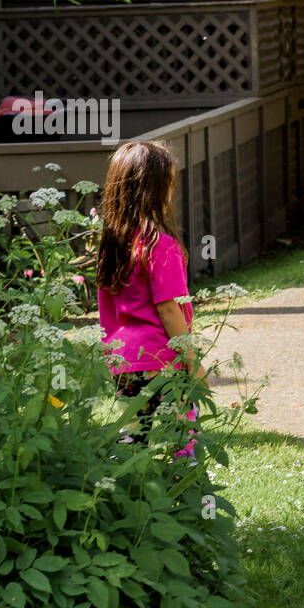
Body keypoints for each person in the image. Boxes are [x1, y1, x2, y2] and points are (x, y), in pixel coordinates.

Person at [96, 140, 207, 458]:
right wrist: (193, 363)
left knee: (135, 437)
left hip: (125, 360)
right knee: (180, 433)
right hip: (162, 360)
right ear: (157, 189)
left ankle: (129, 495)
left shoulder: (113, 246)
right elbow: (169, 309)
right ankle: (186, 496)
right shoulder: (161, 245)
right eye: (170, 181)